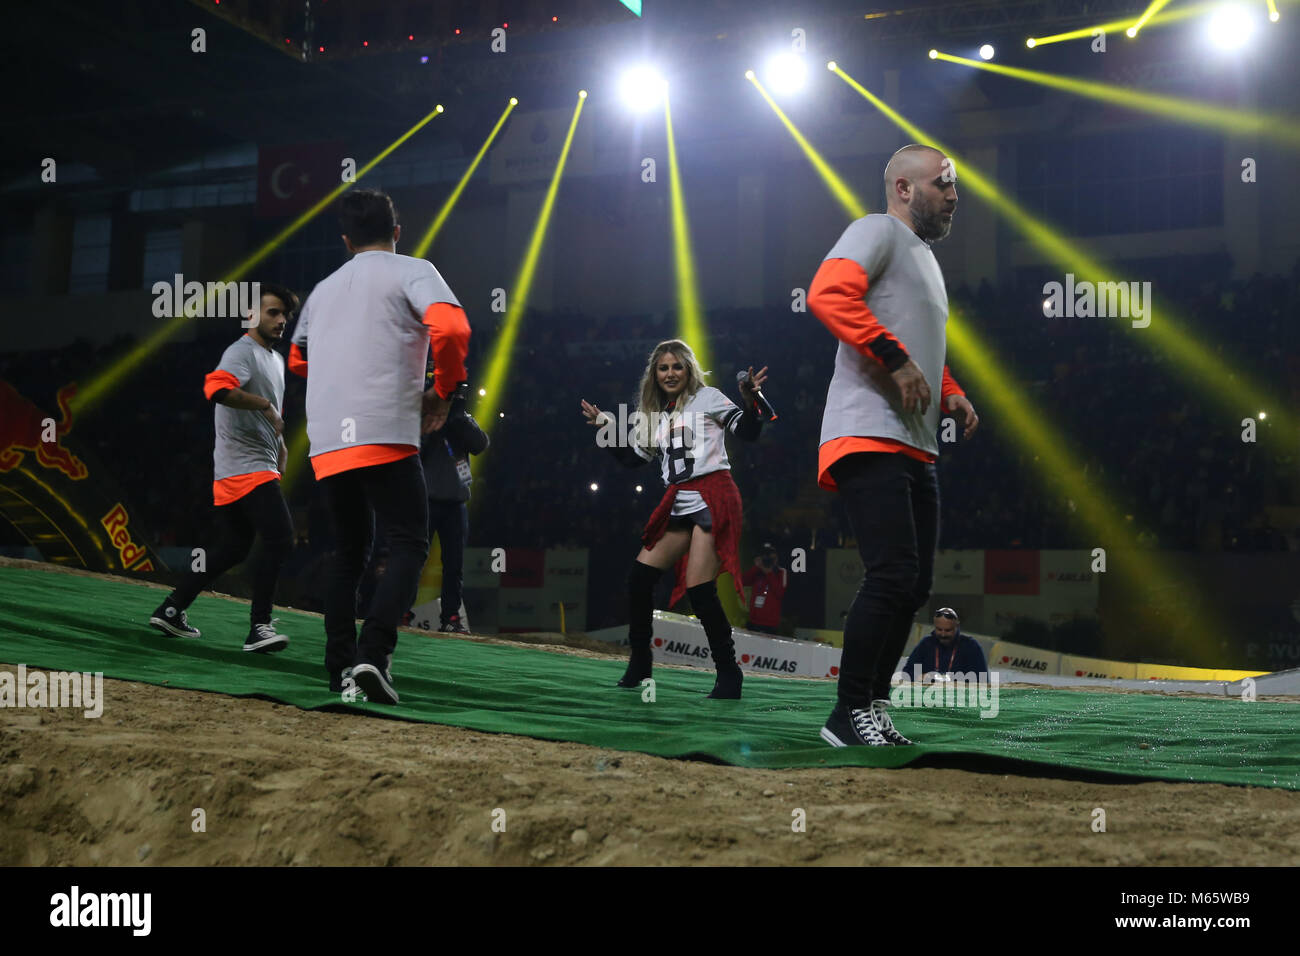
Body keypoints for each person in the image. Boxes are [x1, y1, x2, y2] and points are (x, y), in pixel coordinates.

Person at [809, 144, 980, 747]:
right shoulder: (875, 229)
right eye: (944, 184)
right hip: (867, 429)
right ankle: (845, 712)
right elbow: (827, 294)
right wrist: (897, 362)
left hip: (915, 442)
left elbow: (919, 345)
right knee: (892, 573)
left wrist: (949, 389)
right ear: (904, 189)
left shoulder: (927, 261)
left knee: (913, 585)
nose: (954, 196)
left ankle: (873, 708)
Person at [289, 188, 470, 704]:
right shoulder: (412, 270)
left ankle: (339, 668)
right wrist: (442, 390)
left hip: (326, 438)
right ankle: (374, 654)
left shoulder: (323, 289)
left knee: (349, 552)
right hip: (384, 428)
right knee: (410, 540)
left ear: (346, 240)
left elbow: (298, 361)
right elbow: (453, 327)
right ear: (397, 231)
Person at [580, 340, 767, 699]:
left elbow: (749, 432)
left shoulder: (708, 397)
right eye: (663, 368)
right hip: (680, 498)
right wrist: (605, 425)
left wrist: (750, 400)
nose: (670, 374)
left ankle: (729, 673)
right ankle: (640, 662)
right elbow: (635, 459)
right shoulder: (655, 413)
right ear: (654, 374)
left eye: (677, 367)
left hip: (714, 493)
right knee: (639, 578)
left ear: (689, 370)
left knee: (699, 589)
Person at [149, 283, 299, 653]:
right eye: (273, 312)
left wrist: (278, 442)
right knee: (280, 538)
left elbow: (271, 413)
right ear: (252, 315)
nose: (281, 320)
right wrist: (264, 405)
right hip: (245, 467)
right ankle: (259, 627)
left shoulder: (275, 359)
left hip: (247, 466)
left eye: (285, 314)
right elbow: (215, 389)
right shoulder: (241, 351)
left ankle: (171, 609)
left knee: (233, 547)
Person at [419, 379, 488, 633]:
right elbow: (417, 448)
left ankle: (450, 618)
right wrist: (436, 419)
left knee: (454, 564)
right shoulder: (425, 417)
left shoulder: (461, 418)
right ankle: (400, 611)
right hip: (427, 500)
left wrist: (456, 417)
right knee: (414, 558)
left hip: (456, 503)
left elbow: (481, 444)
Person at [900, 608, 987, 679]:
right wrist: (924, 677)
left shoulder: (971, 646)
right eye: (939, 629)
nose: (943, 634)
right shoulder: (926, 644)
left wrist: (955, 682)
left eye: (948, 630)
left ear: (957, 626)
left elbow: (982, 680)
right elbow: (907, 673)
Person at [742, 541, 787, 635]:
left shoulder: (781, 572)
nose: (768, 558)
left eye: (771, 556)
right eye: (765, 555)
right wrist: (756, 567)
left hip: (770, 624)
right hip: (753, 621)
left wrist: (769, 572)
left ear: (777, 557)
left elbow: (780, 593)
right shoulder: (757, 571)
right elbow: (743, 581)